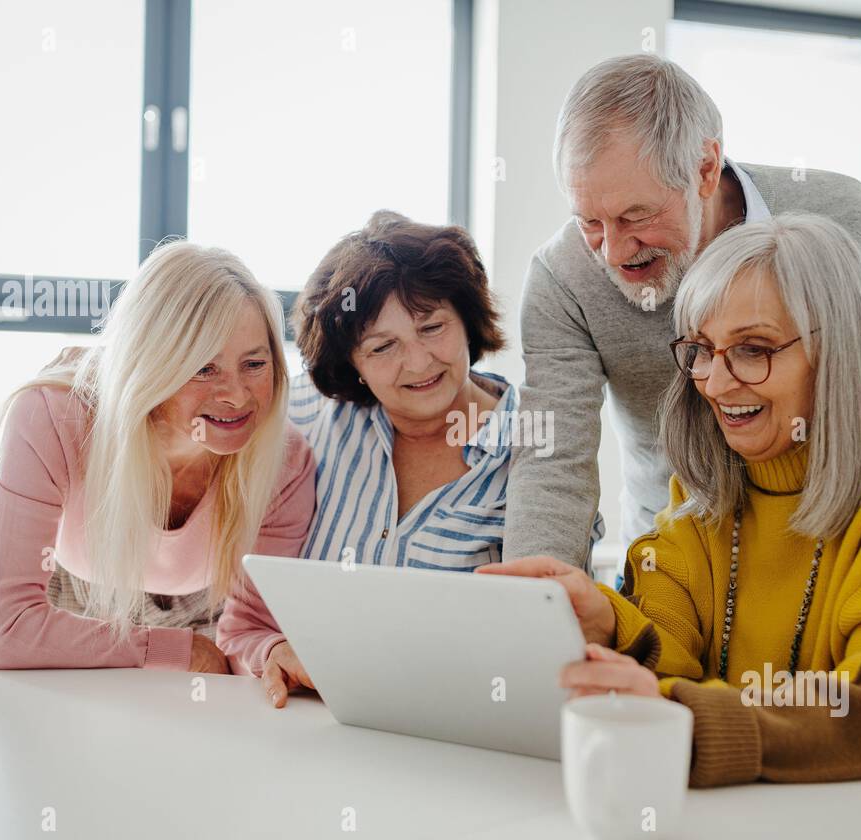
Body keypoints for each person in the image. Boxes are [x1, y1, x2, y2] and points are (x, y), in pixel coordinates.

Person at [481, 214, 861, 840]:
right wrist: (608, 625)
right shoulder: (708, 488)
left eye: (753, 350)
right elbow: (675, 653)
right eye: (701, 349)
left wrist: (687, 719)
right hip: (796, 818)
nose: (716, 381)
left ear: (837, 351)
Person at [504, 54, 861, 570]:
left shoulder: (847, 216)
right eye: (589, 221)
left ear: (706, 169)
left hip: (843, 546)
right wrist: (539, 601)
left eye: (636, 216)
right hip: (675, 566)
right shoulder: (562, 277)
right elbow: (555, 458)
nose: (614, 252)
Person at [254, 211, 602, 707]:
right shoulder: (307, 417)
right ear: (351, 363)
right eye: (382, 346)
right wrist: (271, 647)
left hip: (462, 726)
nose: (418, 363)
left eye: (432, 327)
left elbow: (553, 640)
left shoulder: (539, 453)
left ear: (466, 321)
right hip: (314, 721)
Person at [0, 241, 316, 677]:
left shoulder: (284, 460)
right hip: (76, 608)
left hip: (207, 615)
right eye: (203, 369)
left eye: (254, 364)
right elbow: (7, 628)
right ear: (150, 367)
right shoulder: (53, 416)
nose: (236, 395)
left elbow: (246, 632)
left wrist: (269, 654)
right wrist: (178, 650)